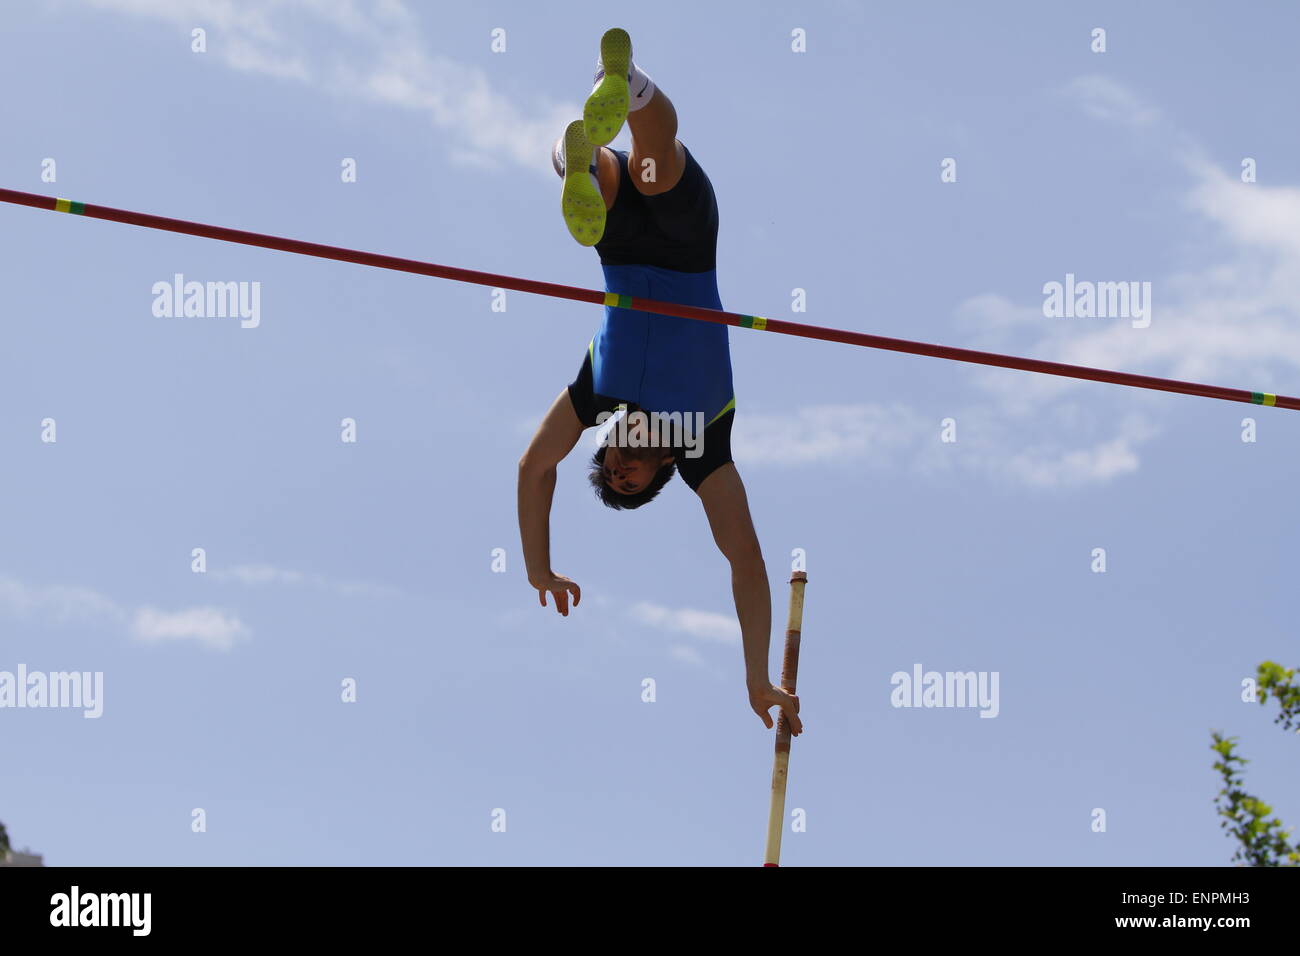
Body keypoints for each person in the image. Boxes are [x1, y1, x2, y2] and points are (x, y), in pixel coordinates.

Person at [517, 29, 801, 736]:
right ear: (663, 469)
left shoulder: (598, 397)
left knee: (612, 182)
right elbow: (745, 562)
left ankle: (580, 153)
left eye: (609, 468)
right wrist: (755, 676)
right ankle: (619, 96)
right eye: (631, 480)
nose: (620, 464)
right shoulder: (704, 445)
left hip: (616, 252)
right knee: (655, 170)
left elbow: (534, 467)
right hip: (686, 249)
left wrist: (538, 568)